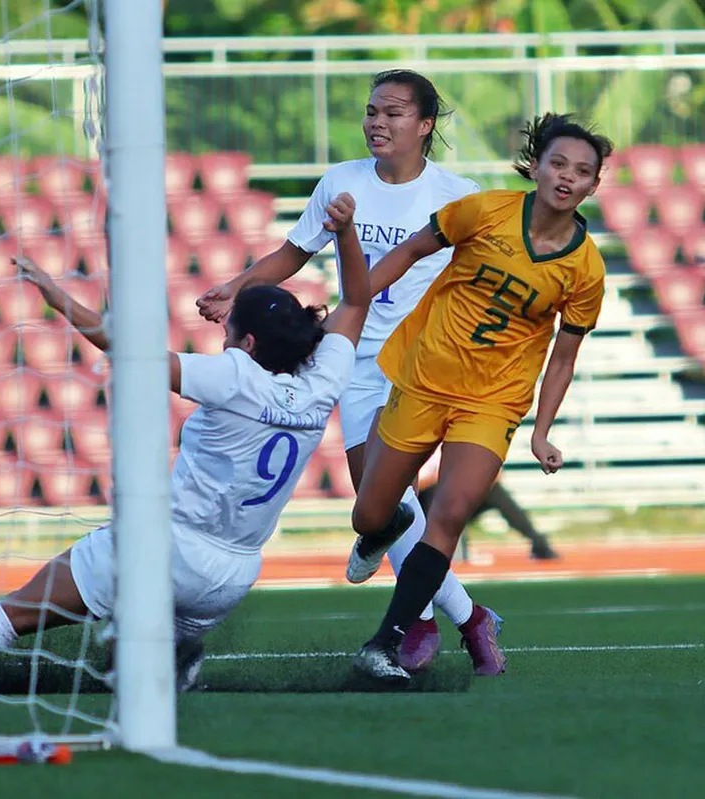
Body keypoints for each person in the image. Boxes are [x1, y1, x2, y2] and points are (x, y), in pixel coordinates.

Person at [0, 192, 370, 697]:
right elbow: (358, 297)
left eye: (229, 332)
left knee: (17, 612)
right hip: (232, 577)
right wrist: (345, 233)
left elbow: (129, 350)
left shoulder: (234, 375)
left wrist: (57, 297)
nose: (223, 337)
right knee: (150, 645)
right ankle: (172, 658)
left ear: (247, 344)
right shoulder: (323, 382)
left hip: (165, 547)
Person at [196, 70, 503, 676]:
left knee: (393, 501)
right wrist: (235, 287)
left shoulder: (458, 195)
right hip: (358, 358)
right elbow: (294, 253)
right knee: (381, 506)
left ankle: (417, 623)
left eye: (393, 113)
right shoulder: (341, 181)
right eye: (371, 111)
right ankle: (470, 618)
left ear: (425, 124)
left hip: (427, 360)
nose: (377, 122)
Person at [345, 113, 611, 681]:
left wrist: (541, 431)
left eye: (582, 171)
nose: (567, 176)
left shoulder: (587, 269)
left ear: (593, 184)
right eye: (558, 163)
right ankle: (463, 607)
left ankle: (388, 641)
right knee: (369, 515)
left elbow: (564, 356)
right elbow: (411, 250)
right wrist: (355, 301)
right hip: (423, 379)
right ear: (535, 166)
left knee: (449, 513)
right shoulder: (484, 211)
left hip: (493, 402)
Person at [417, 449, 559, 560]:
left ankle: (538, 542)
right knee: (438, 490)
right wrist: (443, 477)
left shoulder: (459, 442)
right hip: (426, 504)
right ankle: (433, 547)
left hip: (458, 497)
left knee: (492, 489)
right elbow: (413, 485)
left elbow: (495, 474)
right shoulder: (422, 446)